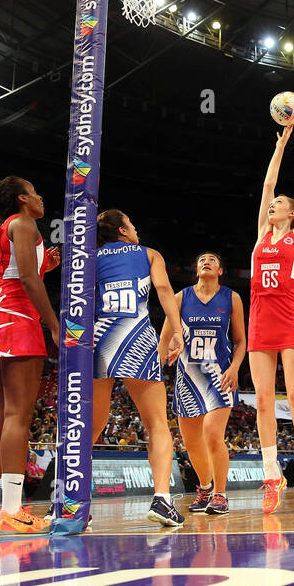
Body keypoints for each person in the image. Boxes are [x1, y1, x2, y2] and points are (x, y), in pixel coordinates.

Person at [0, 176, 61, 535]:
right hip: (16, 317)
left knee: (4, 419)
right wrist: (53, 322)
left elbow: (15, 272)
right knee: (19, 416)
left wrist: (43, 265)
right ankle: (12, 509)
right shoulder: (24, 223)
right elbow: (26, 280)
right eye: (35, 192)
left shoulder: (1, 231)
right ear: (22, 199)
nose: (40, 198)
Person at [84, 208, 186, 527]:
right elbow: (165, 291)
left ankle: (69, 500)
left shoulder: (89, 258)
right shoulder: (149, 253)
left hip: (99, 337)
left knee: (92, 425)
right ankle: (162, 500)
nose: (136, 229)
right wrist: (177, 331)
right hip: (137, 336)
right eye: (132, 224)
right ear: (124, 231)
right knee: (156, 423)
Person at [250, 119, 294, 514]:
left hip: (291, 316)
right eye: (273, 203)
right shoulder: (261, 234)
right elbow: (266, 185)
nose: (273, 204)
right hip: (260, 315)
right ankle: (271, 476)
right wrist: (280, 146)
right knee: (262, 401)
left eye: (280, 204)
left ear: (291, 214)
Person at [158, 251, 246, 518]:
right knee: (192, 442)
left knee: (211, 433)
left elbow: (241, 341)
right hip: (187, 377)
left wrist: (234, 367)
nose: (206, 261)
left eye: (213, 260)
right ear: (196, 269)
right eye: (201, 260)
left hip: (220, 376)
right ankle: (205, 489)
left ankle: (220, 494)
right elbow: (165, 339)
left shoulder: (231, 298)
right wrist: (157, 369)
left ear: (220, 271)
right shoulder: (181, 297)